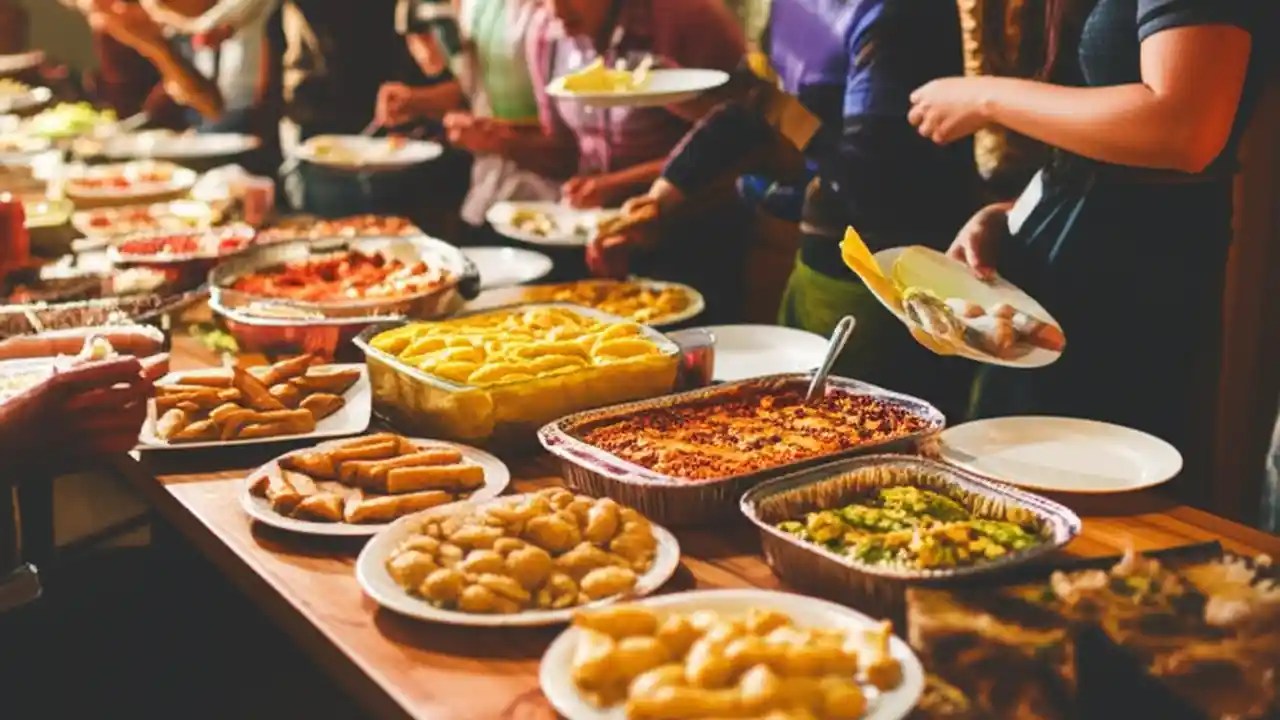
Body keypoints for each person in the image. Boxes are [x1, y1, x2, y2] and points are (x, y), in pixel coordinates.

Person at [908, 0, 1267, 497]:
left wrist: (985, 97)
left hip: (1128, 300)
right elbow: (1107, 153)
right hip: (1066, 283)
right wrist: (1013, 216)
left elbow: (1187, 126)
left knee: (1083, 541)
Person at [591, 0, 977, 415]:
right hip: (812, 266)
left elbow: (874, 183)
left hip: (891, 290)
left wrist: (775, 108)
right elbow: (755, 113)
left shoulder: (901, 15)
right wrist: (661, 199)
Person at [511, 0, 748, 312]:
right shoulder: (544, 33)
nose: (556, 9)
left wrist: (617, 185)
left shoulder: (690, 17)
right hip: (602, 237)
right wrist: (498, 139)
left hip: (693, 232)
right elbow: (562, 147)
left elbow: (741, 136)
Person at [375, 0, 559, 237]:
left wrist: (497, 138)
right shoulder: (473, 5)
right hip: (487, 196)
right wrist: (415, 101)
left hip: (550, 208)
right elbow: (472, 89)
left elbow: (578, 133)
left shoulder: (555, 9)